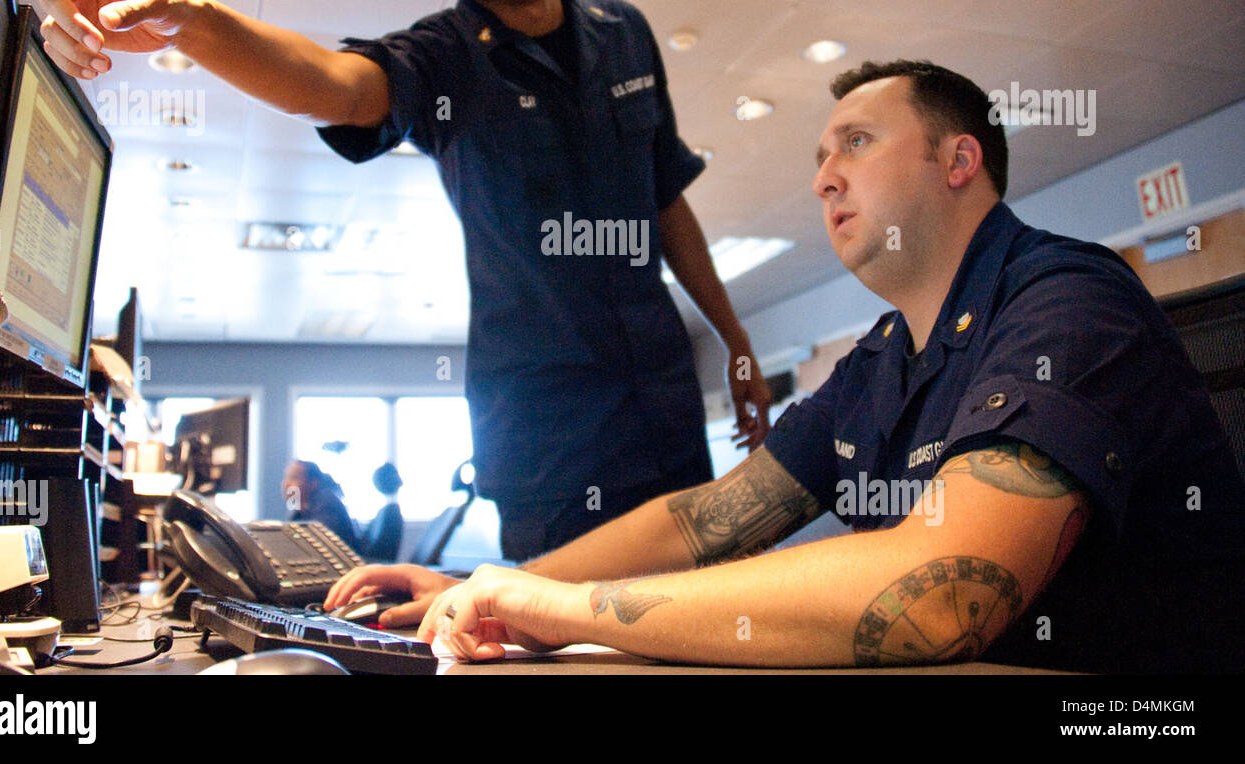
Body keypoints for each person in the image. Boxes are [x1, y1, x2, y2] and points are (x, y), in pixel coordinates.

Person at [323, 60, 1245, 673]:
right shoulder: (881, 361)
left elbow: (945, 594)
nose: (822, 179)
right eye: (819, 156)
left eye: (857, 142)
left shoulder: (1068, 300)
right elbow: (701, 522)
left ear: (959, 159)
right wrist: (495, 584)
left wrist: (563, 609)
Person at [0, 0, 773, 560]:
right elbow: (334, 87)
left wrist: (734, 337)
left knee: (700, 619)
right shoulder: (445, 58)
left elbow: (665, 198)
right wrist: (192, 24)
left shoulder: (625, 31)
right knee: (568, 644)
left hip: (665, 404)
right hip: (549, 436)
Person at [282, 460, 361, 554]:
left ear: (313, 483)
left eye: (294, 478)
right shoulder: (300, 510)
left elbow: (320, 544)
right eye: (286, 478)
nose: (286, 484)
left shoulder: (326, 503)